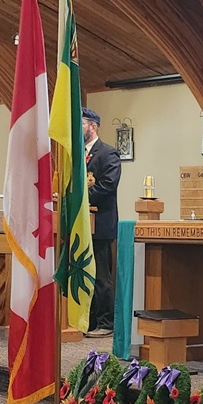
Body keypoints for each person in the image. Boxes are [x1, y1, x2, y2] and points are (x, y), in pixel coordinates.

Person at [82, 106, 121, 337]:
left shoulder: (108, 153)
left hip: (101, 224)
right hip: (82, 224)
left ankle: (106, 322)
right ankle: (90, 321)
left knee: (101, 277)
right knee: (85, 274)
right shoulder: (78, 154)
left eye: (82, 124)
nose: (79, 128)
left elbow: (108, 184)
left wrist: (80, 198)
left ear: (93, 126)